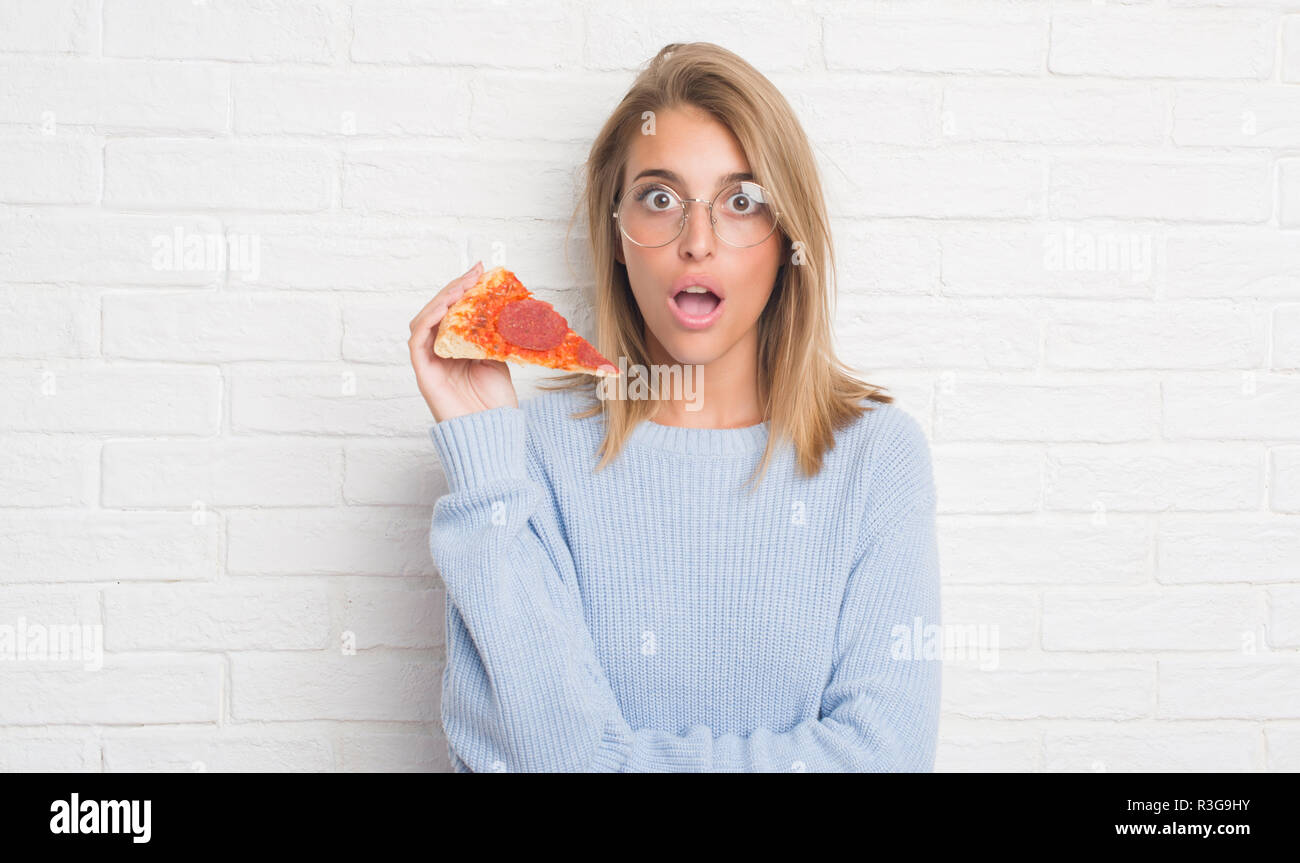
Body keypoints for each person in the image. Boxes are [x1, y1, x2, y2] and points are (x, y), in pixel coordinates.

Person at [407, 42, 941, 772]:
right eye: (659, 198)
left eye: (741, 201)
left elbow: (886, 758)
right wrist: (485, 462)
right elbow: (502, 757)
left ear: (788, 237)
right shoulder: (522, 454)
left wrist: (607, 760)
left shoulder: (878, 456)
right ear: (618, 235)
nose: (697, 241)